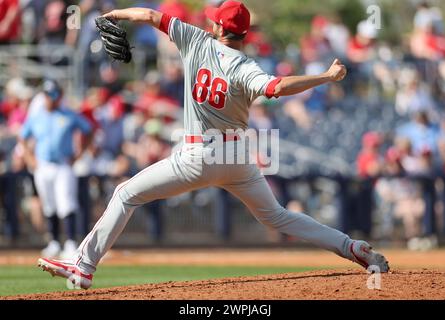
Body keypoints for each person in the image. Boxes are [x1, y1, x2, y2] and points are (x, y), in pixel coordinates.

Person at [37, 1, 389, 289]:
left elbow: (148, 15)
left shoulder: (195, 39)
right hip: (237, 156)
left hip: (198, 154)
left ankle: (83, 267)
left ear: (220, 28)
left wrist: (115, 14)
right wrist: (327, 76)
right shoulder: (246, 65)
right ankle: (351, 247)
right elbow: (278, 88)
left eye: (215, 22)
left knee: (126, 194)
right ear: (244, 34)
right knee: (278, 216)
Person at [19, 79, 92, 259]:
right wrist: (29, 158)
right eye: (48, 95)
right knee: (49, 204)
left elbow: (88, 130)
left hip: (63, 164)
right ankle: (53, 242)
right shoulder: (36, 116)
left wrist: (79, 154)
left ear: (59, 97)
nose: (51, 99)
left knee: (66, 203)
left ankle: (69, 242)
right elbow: (22, 137)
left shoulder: (68, 114)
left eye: (54, 95)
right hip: (43, 165)